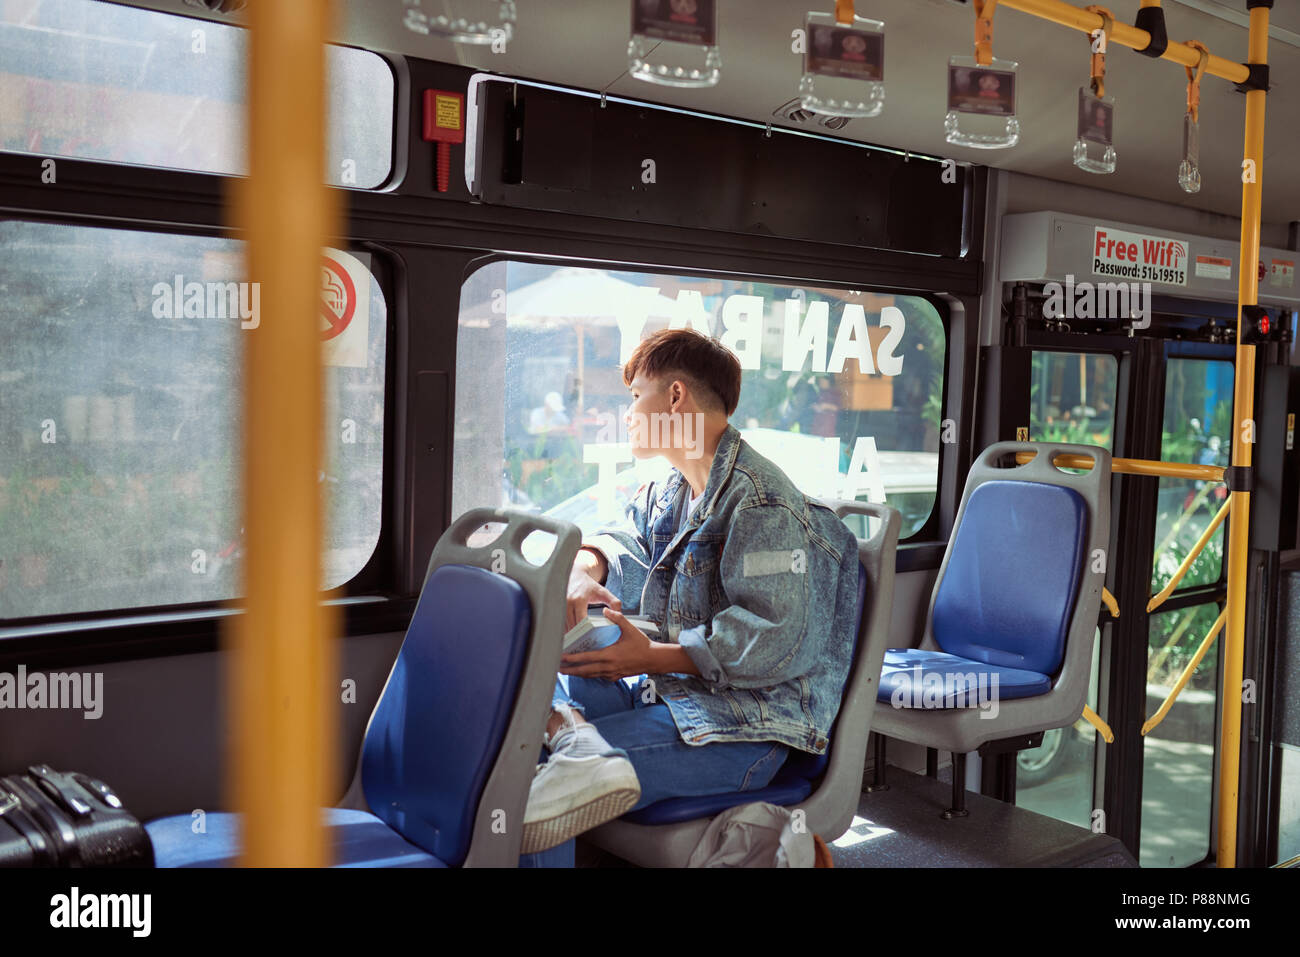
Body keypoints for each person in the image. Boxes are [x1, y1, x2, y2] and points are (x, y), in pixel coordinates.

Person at [520, 328, 862, 859]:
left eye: (636, 397)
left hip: (744, 730)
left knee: (532, 780)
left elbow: (772, 639)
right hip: (677, 698)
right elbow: (630, 544)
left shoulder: (761, 502)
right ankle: (573, 743)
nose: (629, 413)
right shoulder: (671, 488)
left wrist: (651, 655)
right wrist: (589, 564)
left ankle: (576, 752)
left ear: (675, 396)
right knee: (522, 724)